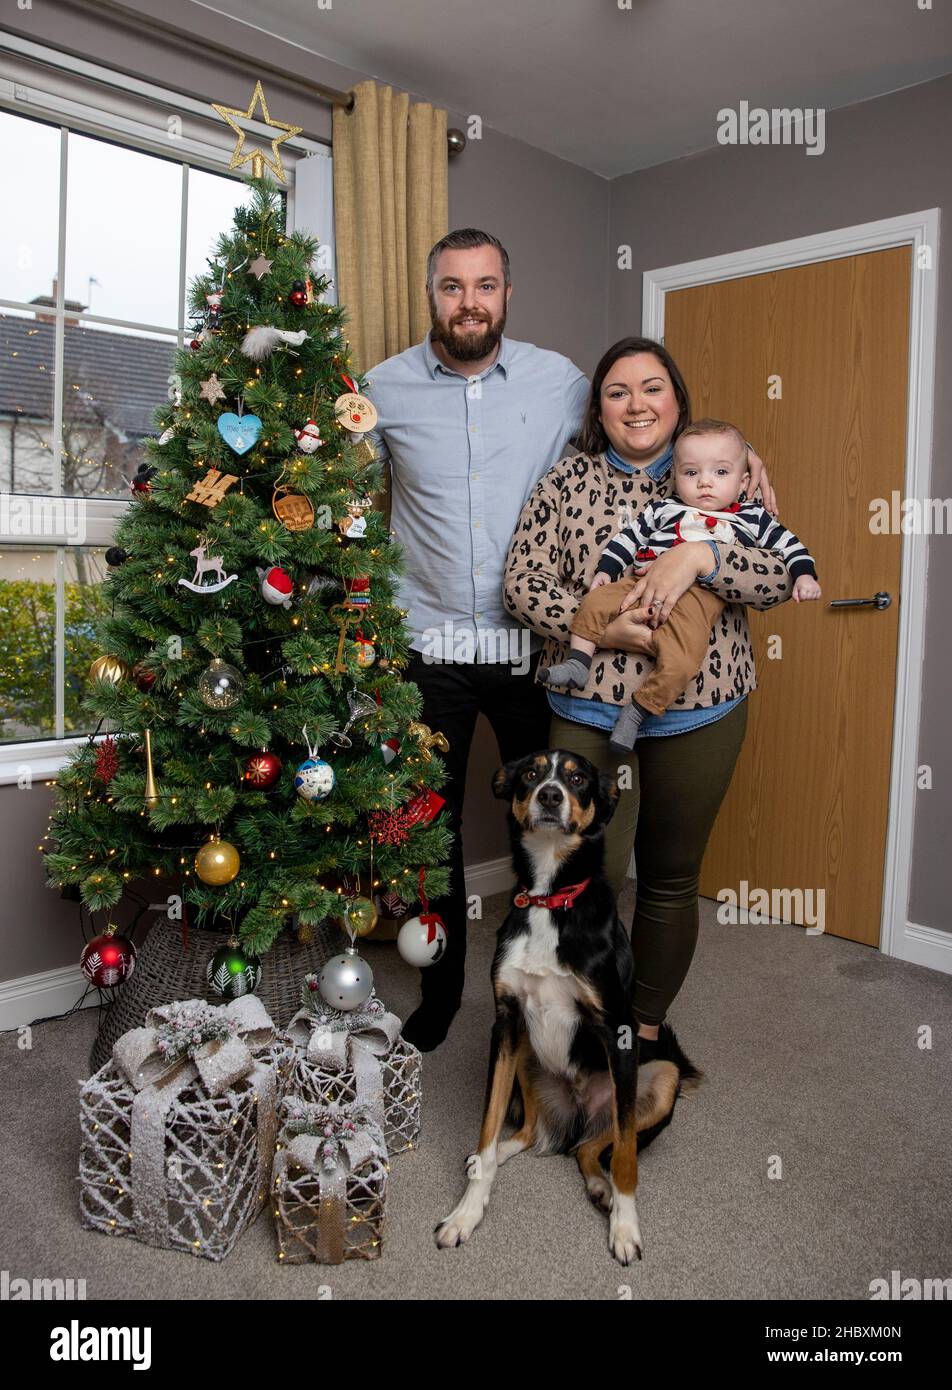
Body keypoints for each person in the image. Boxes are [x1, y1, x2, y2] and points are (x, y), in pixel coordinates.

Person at [503, 337, 792, 1060]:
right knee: (582, 880)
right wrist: (602, 623)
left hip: (703, 709)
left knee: (669, 877)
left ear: (678, 401)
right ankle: (578, 1025)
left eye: (653, 387)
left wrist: (703, 553)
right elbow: (521, 583)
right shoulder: (564, 484)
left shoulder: (722, 474)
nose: (638, 403)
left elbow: (776, 578)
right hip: (589, 714)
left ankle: (647, 1030)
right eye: (618, 391)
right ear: (598, 409)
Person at [363, 228, 590, 1051]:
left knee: (546, 823)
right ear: (432, 294)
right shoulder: (382, 387)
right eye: (453, 286)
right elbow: (330, 489)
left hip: (533, 647)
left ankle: (548, 974)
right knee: (432, 824)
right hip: (429, 647)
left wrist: (741, 466)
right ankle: (443, 989)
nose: (470, 302)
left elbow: (645, 437)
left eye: (485, 285)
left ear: (506, 293)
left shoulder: (560, 382)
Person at [539, 417, 820, 750]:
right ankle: (578, 664)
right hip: (638, 582)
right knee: (594, 602)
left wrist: (804, 575)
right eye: (691, 473)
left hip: (695, 600)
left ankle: (639, 710)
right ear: (676, 476)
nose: (704, 483)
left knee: (682, 660)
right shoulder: (664, 508)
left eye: (720, 473)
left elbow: (789, 547)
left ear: (744, 481)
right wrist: (607, 569)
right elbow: (629, 538)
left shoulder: (752, 516)